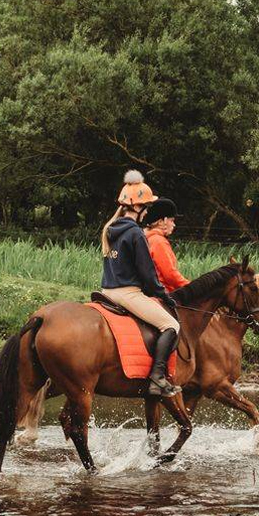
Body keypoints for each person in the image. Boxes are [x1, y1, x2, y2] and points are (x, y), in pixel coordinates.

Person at [99, 170, 182, 397]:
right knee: (171, 325)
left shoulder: (110, 229)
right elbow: (148, 275)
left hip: (106, 291)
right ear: (138, 208)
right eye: (146, 206)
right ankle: (157, 377)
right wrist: (164, 295)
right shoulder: (135, 233)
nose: (147, 211)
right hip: (127, 293)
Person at [141, 198, 188, 292]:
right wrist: (193, 287)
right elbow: (170, 275)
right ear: (163, 220)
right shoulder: (158, 241)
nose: (174, 225)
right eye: (172, 220)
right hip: (163, 293)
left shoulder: (146, 238)